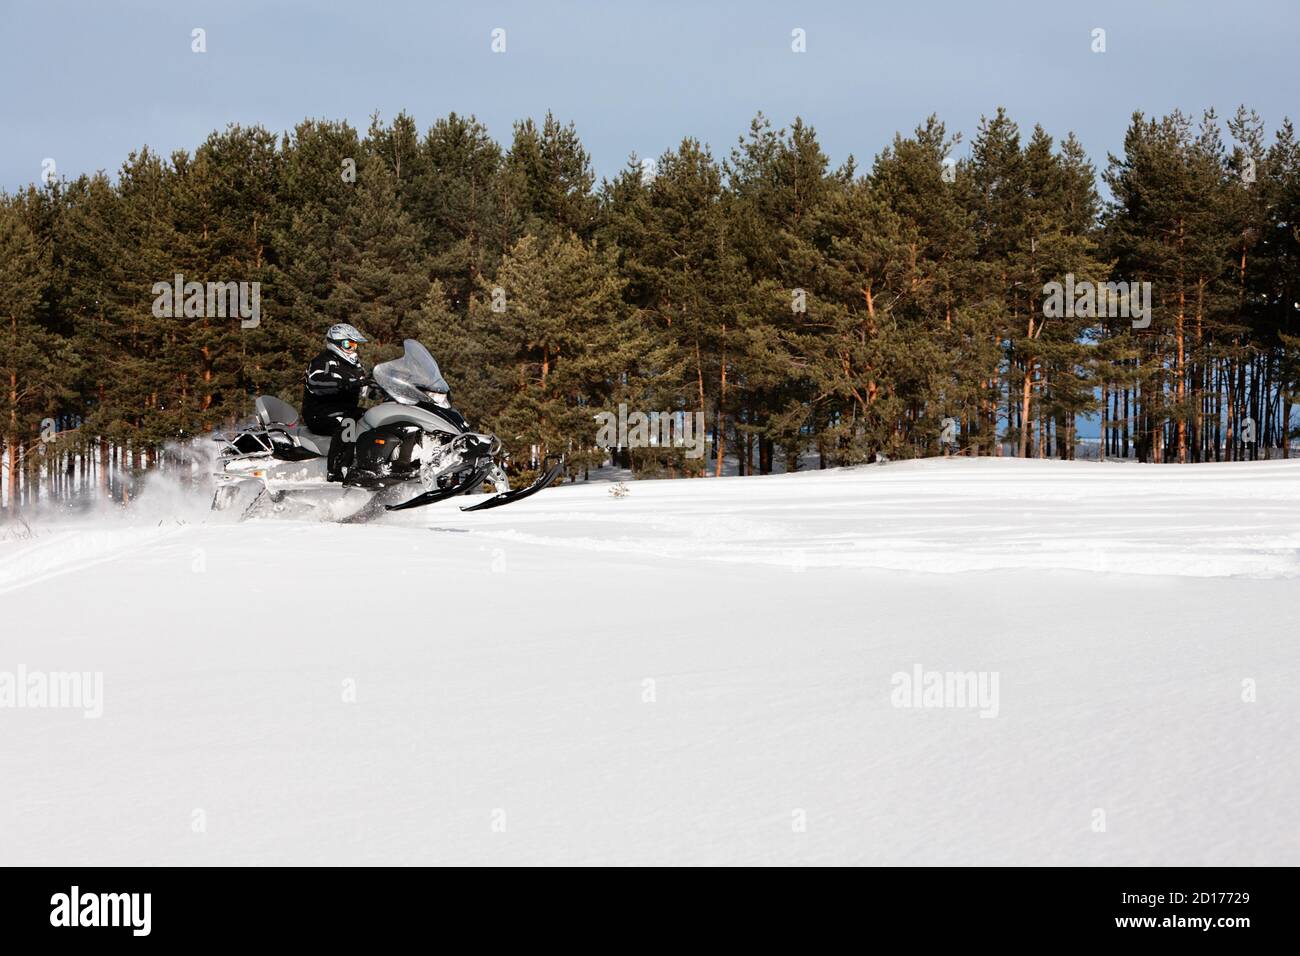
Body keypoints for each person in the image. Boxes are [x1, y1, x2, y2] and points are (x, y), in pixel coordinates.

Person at [302, 323, 371, 481]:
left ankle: (371, 463)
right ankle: (337, 470)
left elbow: (363, 386)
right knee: (347, 423)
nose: (352, 348)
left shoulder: (354, 365)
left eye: (354, 344)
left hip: (346, 410)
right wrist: (346, 384)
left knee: (371, 418)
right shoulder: (323, 362)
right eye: (348, 344)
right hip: (320, 412)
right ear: (336, 343)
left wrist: (376, 386)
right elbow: (316, 383)